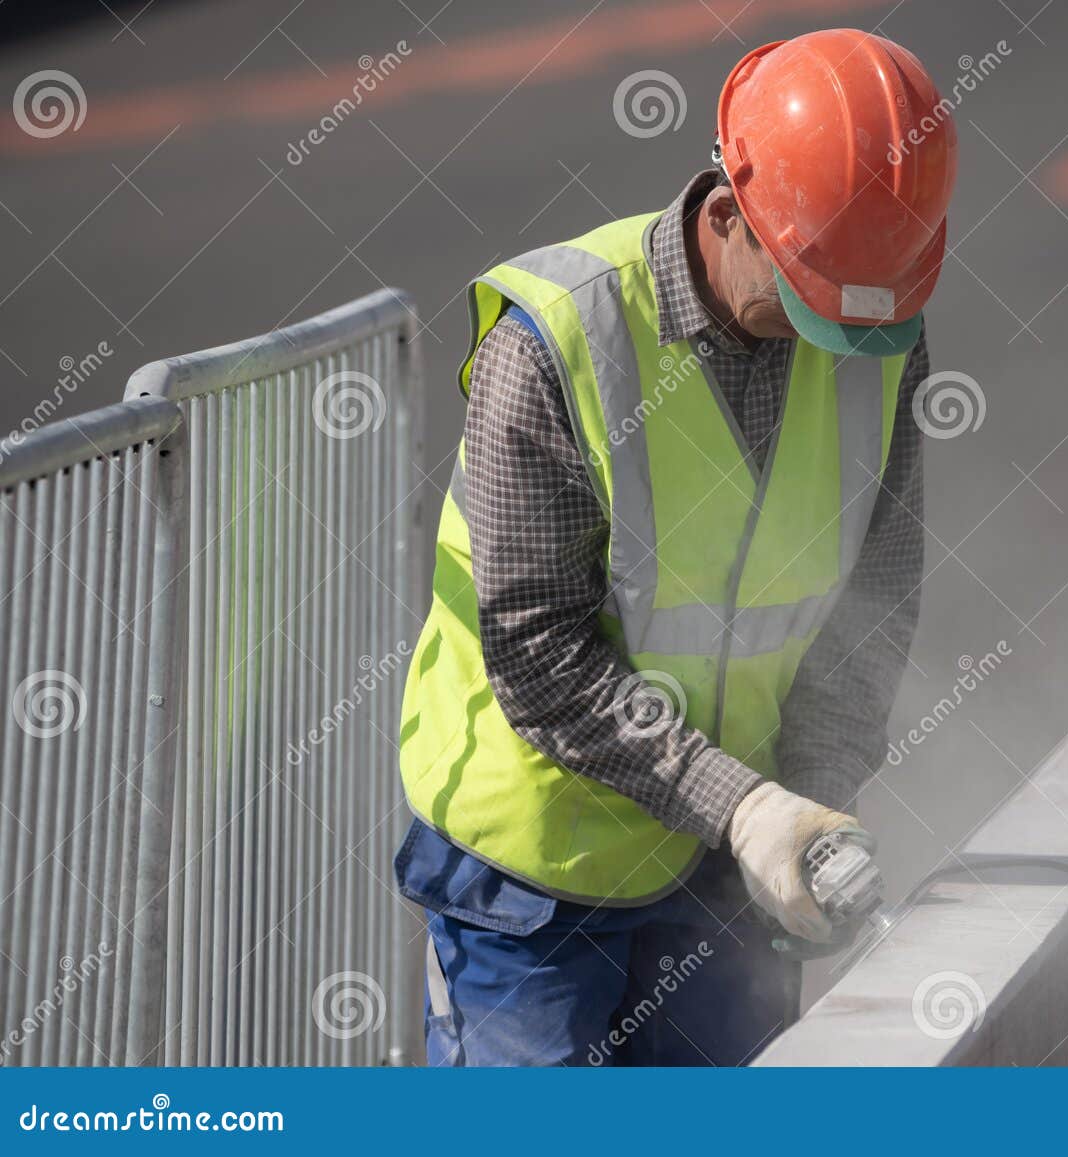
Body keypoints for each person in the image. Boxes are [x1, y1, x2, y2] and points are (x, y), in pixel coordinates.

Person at [394, 27, 958, 1066]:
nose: (826, 339)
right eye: (807, 295)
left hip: (719, 870)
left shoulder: (874, 334)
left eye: (851, 315)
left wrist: (812, 806)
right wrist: (747, 807)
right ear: (728, 208)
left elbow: (874, 594)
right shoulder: (556, 342)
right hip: (529, 871)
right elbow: (540, 655)